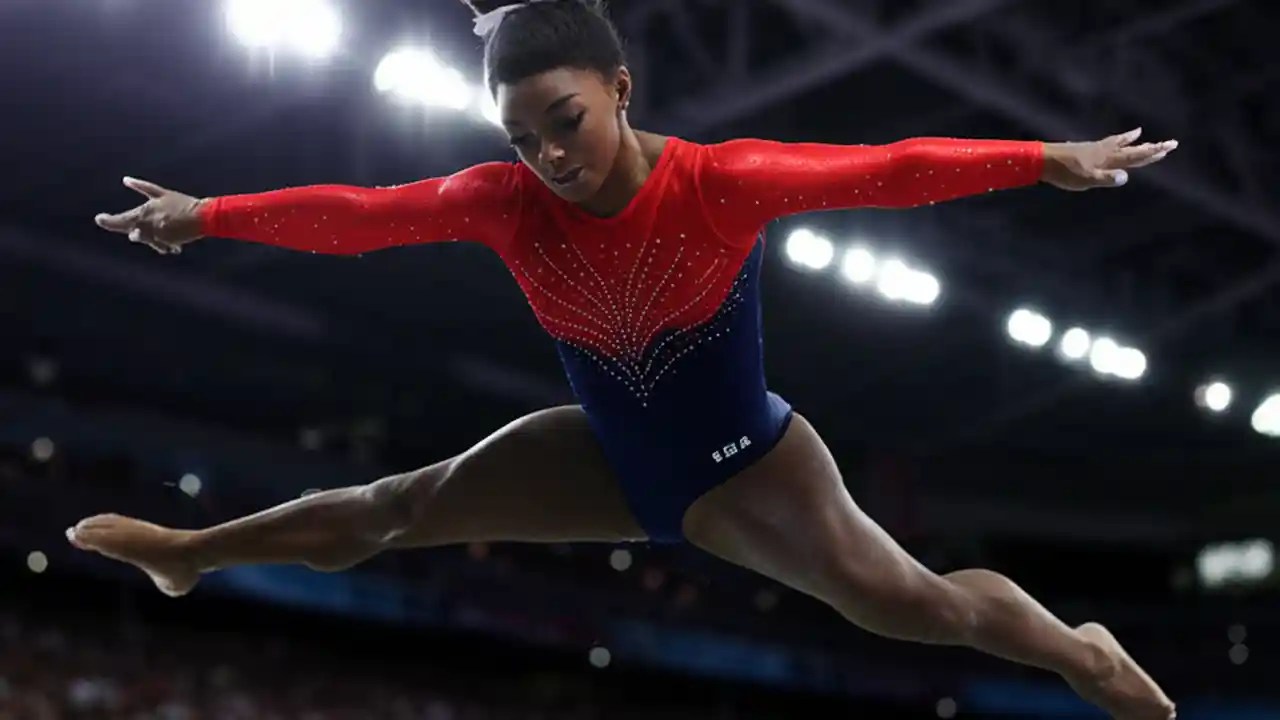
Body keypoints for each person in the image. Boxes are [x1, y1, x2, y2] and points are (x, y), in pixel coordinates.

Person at [72, 1, 1178, 717]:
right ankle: (190, 552)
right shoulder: (499, 202)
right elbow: (359, 214)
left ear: (619, 87)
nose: (547, 157)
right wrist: (208, 212)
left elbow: (885, 169)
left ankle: (1078, 652)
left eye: (565, 121)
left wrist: (1043, 157)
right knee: (394, 506)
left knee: (911, 606)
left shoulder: (721, 180)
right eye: (522, 138)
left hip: (749, 464)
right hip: (607, 451)